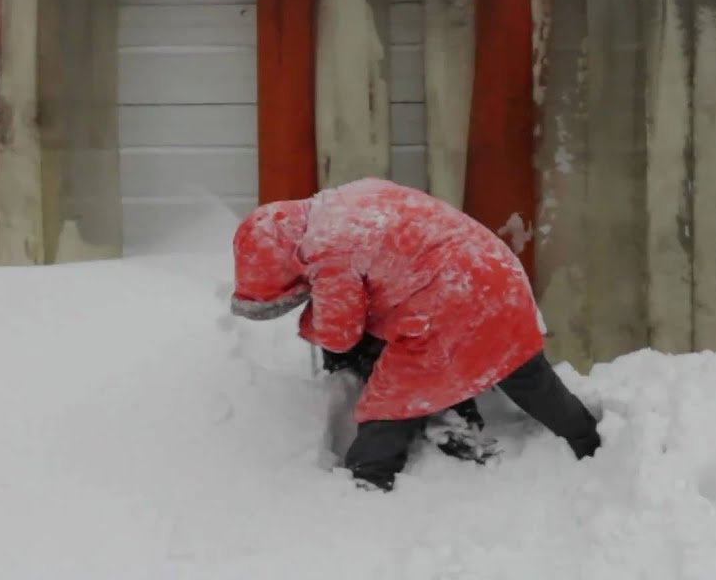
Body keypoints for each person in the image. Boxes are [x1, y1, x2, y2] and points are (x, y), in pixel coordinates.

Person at [229, 177, 601, 491]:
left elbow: (339, 335)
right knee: (526, 376)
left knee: (390, 401)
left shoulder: (327, 251)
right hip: (498, 279)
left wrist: (309, 321)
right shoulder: (350, 196)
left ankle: (368, 481)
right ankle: (589, 441)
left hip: (450, 307)